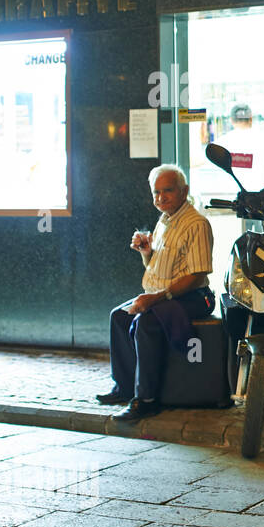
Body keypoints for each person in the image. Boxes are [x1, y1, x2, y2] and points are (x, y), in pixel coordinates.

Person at [96, 165, 215, 421]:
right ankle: (125, 387)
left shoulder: (196, 224)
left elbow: (196, 276)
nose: (160, 198)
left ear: (184, 191)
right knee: (119, 316)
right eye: (156, 192)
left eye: (168, 191)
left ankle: (146, 399)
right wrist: (146, 252)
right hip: (160, 294)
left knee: (147, 321)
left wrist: (157, 298)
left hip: (192, 297)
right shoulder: (164, 220)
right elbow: (155, 268)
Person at [216, 103, 264, 189]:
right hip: (258, 197)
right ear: (251, 119)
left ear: (231, 121)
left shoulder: (222, 141)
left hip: (231, 199)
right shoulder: (263, 139)